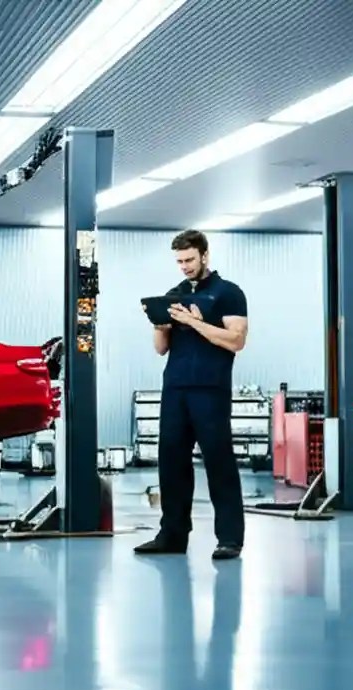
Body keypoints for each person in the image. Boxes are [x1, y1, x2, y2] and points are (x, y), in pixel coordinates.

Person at [135, 229, 249, 560]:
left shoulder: (228, 294)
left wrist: (194, 322)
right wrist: (160, 325)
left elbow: (236, 340)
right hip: (175, 389)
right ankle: (172, 535)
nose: (184, 266)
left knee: (219, 462)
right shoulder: (174, 295)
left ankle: (229, 538)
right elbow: (160, 350)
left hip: (210, 390)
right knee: (171, 463)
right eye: (179, 261)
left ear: (204, 256)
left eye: (189, 260)